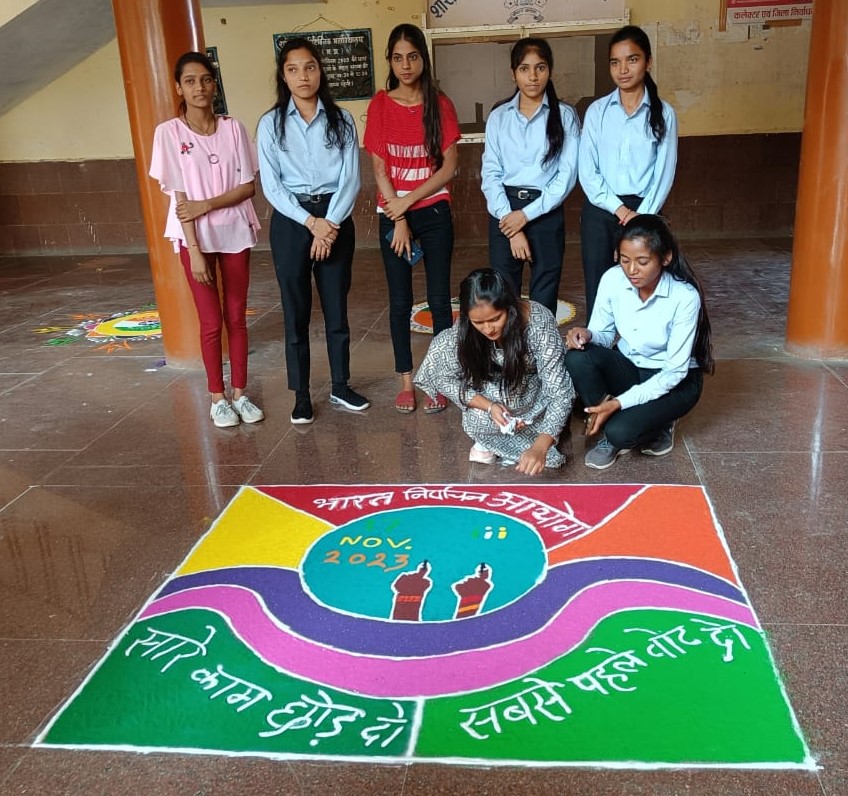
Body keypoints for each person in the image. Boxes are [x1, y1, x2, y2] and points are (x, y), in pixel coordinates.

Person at [257, 37, 369, 425]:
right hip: (292, 223)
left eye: (309, 67)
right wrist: (311, 224)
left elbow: (350, 179)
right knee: (296, 313)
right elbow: (272, 187)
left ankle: (341, 386)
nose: (302, 76)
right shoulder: (270, 124)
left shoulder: (342, 120)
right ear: (283, 76)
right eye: (293, 69)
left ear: (320, 71)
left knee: (337, 310)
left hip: (335, 219)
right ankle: (302, 395)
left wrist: (329, 226)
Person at [149, 51, 264, 428]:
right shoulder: (169, 133)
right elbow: (180, 201)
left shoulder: (233, 128)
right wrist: (194, 251)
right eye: (190, 81)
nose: (199, 87)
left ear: (215, 84)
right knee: (211, 321)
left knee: (237, 316)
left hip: (234, 231)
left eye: (206, 79)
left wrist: (207, 205)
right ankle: (217, 397)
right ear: (178, 87)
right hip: (193, 240)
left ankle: (241, 394)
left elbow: (248, 187)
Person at [564, 214, 714, 470]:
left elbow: (674, 371)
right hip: (630, 366)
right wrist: (587, 334)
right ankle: (609, 419)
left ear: (665, 258)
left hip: (674, 381)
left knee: (620, 433)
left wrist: (620, 403)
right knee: (577, 357)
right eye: (625, 260)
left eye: (642, 261)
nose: (631, 270)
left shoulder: (684, 296)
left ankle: (657, 422)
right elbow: (604, 334)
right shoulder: (612, 279)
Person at [364, 23, 461, 414]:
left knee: (439, 300)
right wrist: (398, 214)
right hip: (393, 213)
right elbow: (379, 168)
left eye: (413, 56)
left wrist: (407, 204)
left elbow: (449, 168)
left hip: (434, 211)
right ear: (390, 60)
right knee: (400, 300)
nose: (406, 65)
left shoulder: (441, 104)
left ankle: (438, 380)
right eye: (398, 57)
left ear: (424, 58)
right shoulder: (380, 105)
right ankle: (406, 381)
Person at [415, 268, 575, 475]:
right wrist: (489, 406)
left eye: (495, 318)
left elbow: (559, 389)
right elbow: (441, 377)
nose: (488, 328)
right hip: (493, 394)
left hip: (534, 395)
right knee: (476, 419)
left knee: (547, 443)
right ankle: (498, 439)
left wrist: (540, 446)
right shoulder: (465, 330)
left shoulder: (538, 322)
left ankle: (513, 440)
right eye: (478, 322)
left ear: (510, 307)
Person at [578, 25, 677, 322]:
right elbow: (588, 170)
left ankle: (638, 346)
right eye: (615, 62)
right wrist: (620, 210)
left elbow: (664, 172)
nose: (623, 69)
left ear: (648, 62)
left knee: (643, 279)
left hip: (645, 208)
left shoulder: (664, 113)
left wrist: (641, 217)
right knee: (598, 282)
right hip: (601, 209)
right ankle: (599, 347)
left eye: (632, 60)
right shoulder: (597, 112)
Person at [481, 37, 580, 317]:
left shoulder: (566, 117)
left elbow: (566, 176)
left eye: (540, 67)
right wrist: (510, 222)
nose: (533, 76)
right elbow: (490, 172)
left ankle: (540, 356)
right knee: (503, 296)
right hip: (504, 211)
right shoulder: (499, 117)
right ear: (514, 73)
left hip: (546, 211)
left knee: (544, 294)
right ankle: (510, 359)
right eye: (524, 69)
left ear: (550, 71)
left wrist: (525, 216)